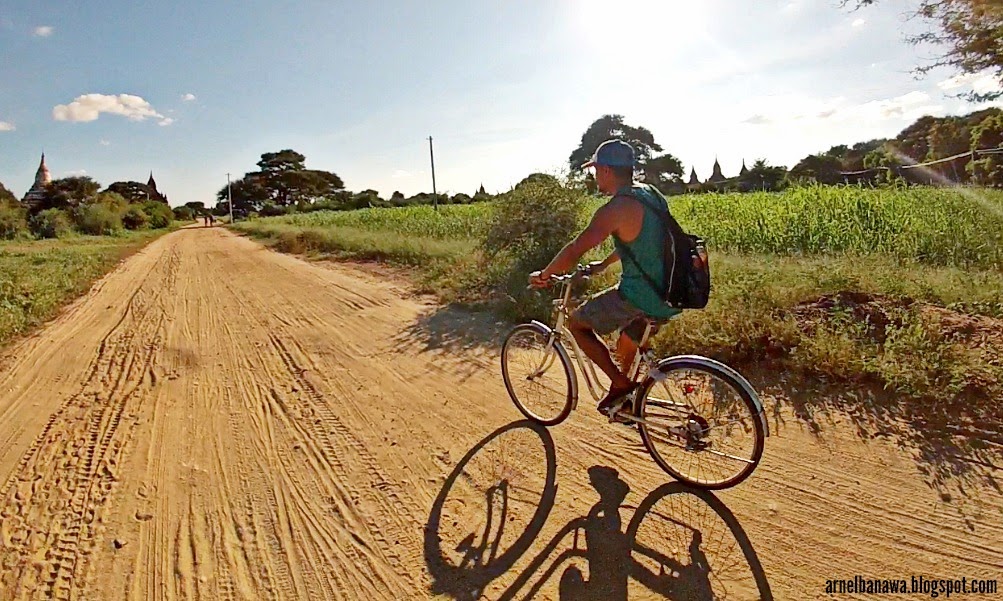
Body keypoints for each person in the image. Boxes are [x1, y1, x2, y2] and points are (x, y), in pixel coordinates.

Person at [529, 139, 680, 418]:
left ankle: (621, 385)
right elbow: (638, 242)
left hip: (641, 294)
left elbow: (575, 249)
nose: (595, 176)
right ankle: (625, 401)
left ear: (607, 171)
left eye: (596, 170)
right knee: (627, 338)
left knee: (577, 323)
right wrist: (603, 264)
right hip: (672, 291)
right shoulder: (650, 194)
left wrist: (545, 274)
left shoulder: (615, 209)